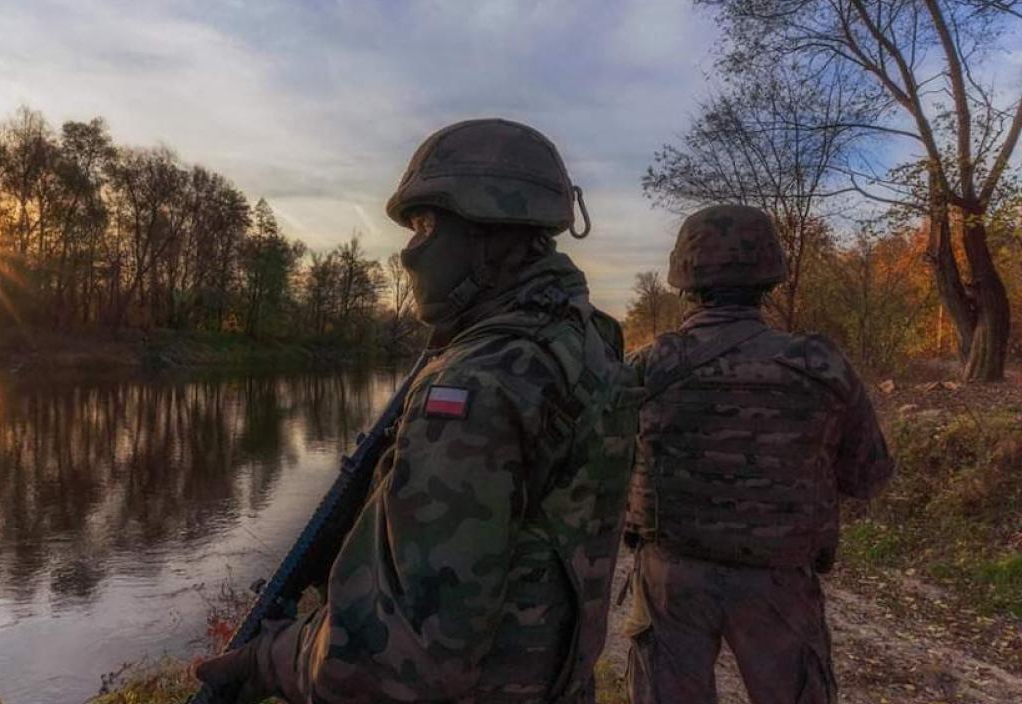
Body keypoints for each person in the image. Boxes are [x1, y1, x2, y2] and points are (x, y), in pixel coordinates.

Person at [195, 118, 639, 703]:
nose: (410, 250)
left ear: (486, 230)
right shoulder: (583, 342)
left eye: (426, 225)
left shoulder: (477, 382)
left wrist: (272, 657)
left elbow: (405, 659)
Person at [622, 204, 896, 704]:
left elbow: (607, 470)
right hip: (779, 581)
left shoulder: (648, 365)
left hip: (671, 578)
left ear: (684, 279)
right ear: (770, 278)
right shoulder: (818, 364)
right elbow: (868, 475)